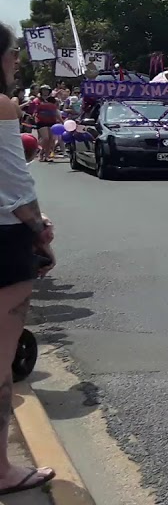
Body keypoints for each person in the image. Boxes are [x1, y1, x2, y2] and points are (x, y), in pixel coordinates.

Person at [0, 26, 58, 496]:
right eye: (13, 54)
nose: (17, 61)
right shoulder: (3, 107)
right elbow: (15, 185)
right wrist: (40, 231)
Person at [33, 86, 58, 162]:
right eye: (44, 90)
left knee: (51, 139)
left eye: (47, 90)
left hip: (51, 121)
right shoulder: (37, 100)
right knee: (45, 138)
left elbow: (56, 111)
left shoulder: (52, 100)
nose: (45, 91)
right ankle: (41, 153)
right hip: (41, 121)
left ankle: (47, 156)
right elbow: (34, 110)